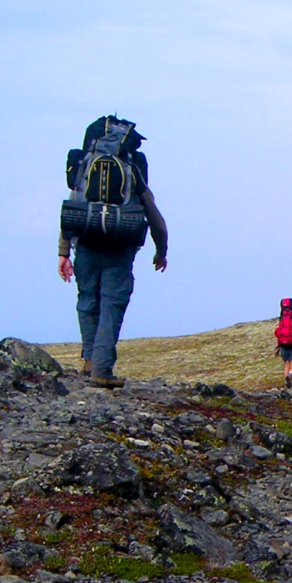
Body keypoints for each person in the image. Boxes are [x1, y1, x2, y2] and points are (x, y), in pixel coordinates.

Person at [58, 116, 168, 389]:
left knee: (88, 301)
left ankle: (90, 360)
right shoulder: (132, 169)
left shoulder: (85, 167)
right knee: (111, 306)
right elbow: (154, 216)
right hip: (120, 248)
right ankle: (102, 369)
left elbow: (73, 209)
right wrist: (161, 250)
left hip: (86, 245)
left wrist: (63, 252)